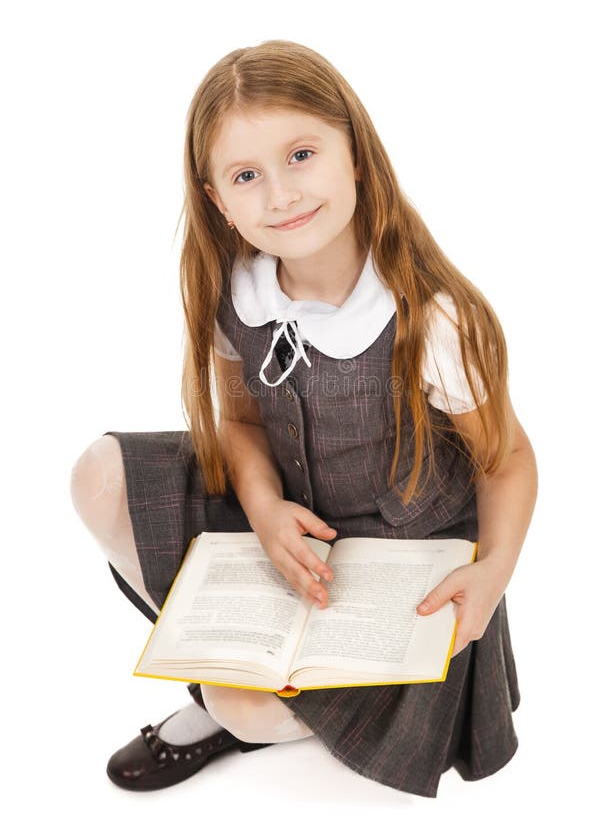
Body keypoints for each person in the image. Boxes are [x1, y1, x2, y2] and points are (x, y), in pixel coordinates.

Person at [70, 39, 538, 798]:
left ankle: (276, 705)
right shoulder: (239, 294)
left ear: (355, 153)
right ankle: (249, 663)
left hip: (400, 557)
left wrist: (493, 573)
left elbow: (506, 459)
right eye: (248, 176)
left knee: (239, 706)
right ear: (219, 198)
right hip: (295, 527)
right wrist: (262, 508)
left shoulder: (434, 318)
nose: (280, 196)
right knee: (98, 477)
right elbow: (245, 424)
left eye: (301, 155)